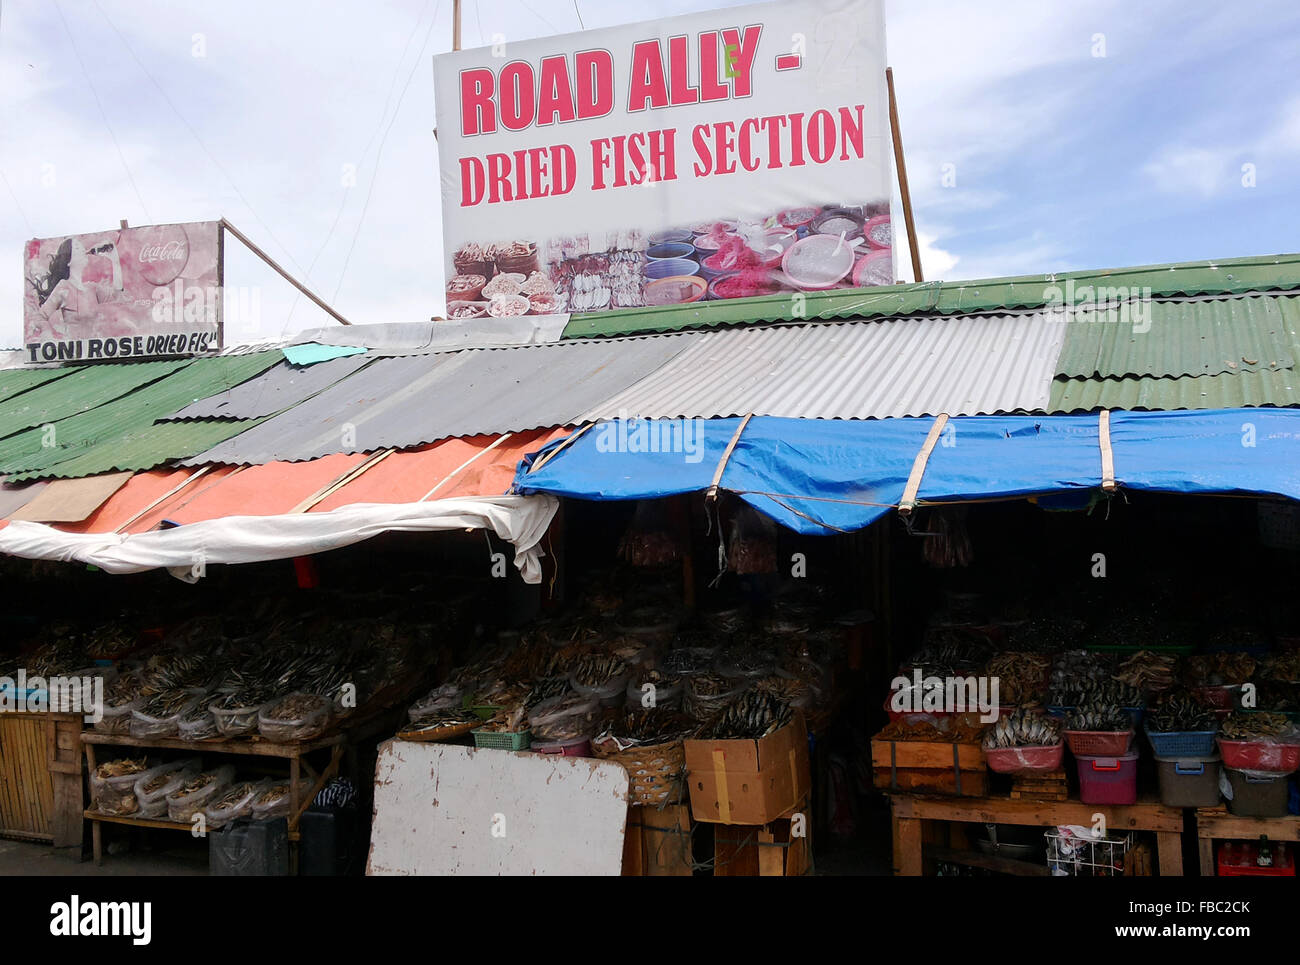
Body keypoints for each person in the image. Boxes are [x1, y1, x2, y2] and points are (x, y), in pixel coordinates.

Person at [29, 234, 125, 338]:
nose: (83, 249)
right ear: (69, 261)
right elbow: (39, 317)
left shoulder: (92, 288)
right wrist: (49, 336)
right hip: (74, 351)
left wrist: (115, 261)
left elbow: (117, 294)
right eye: (78, 248)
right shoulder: (64, 288)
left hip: (95, 350)